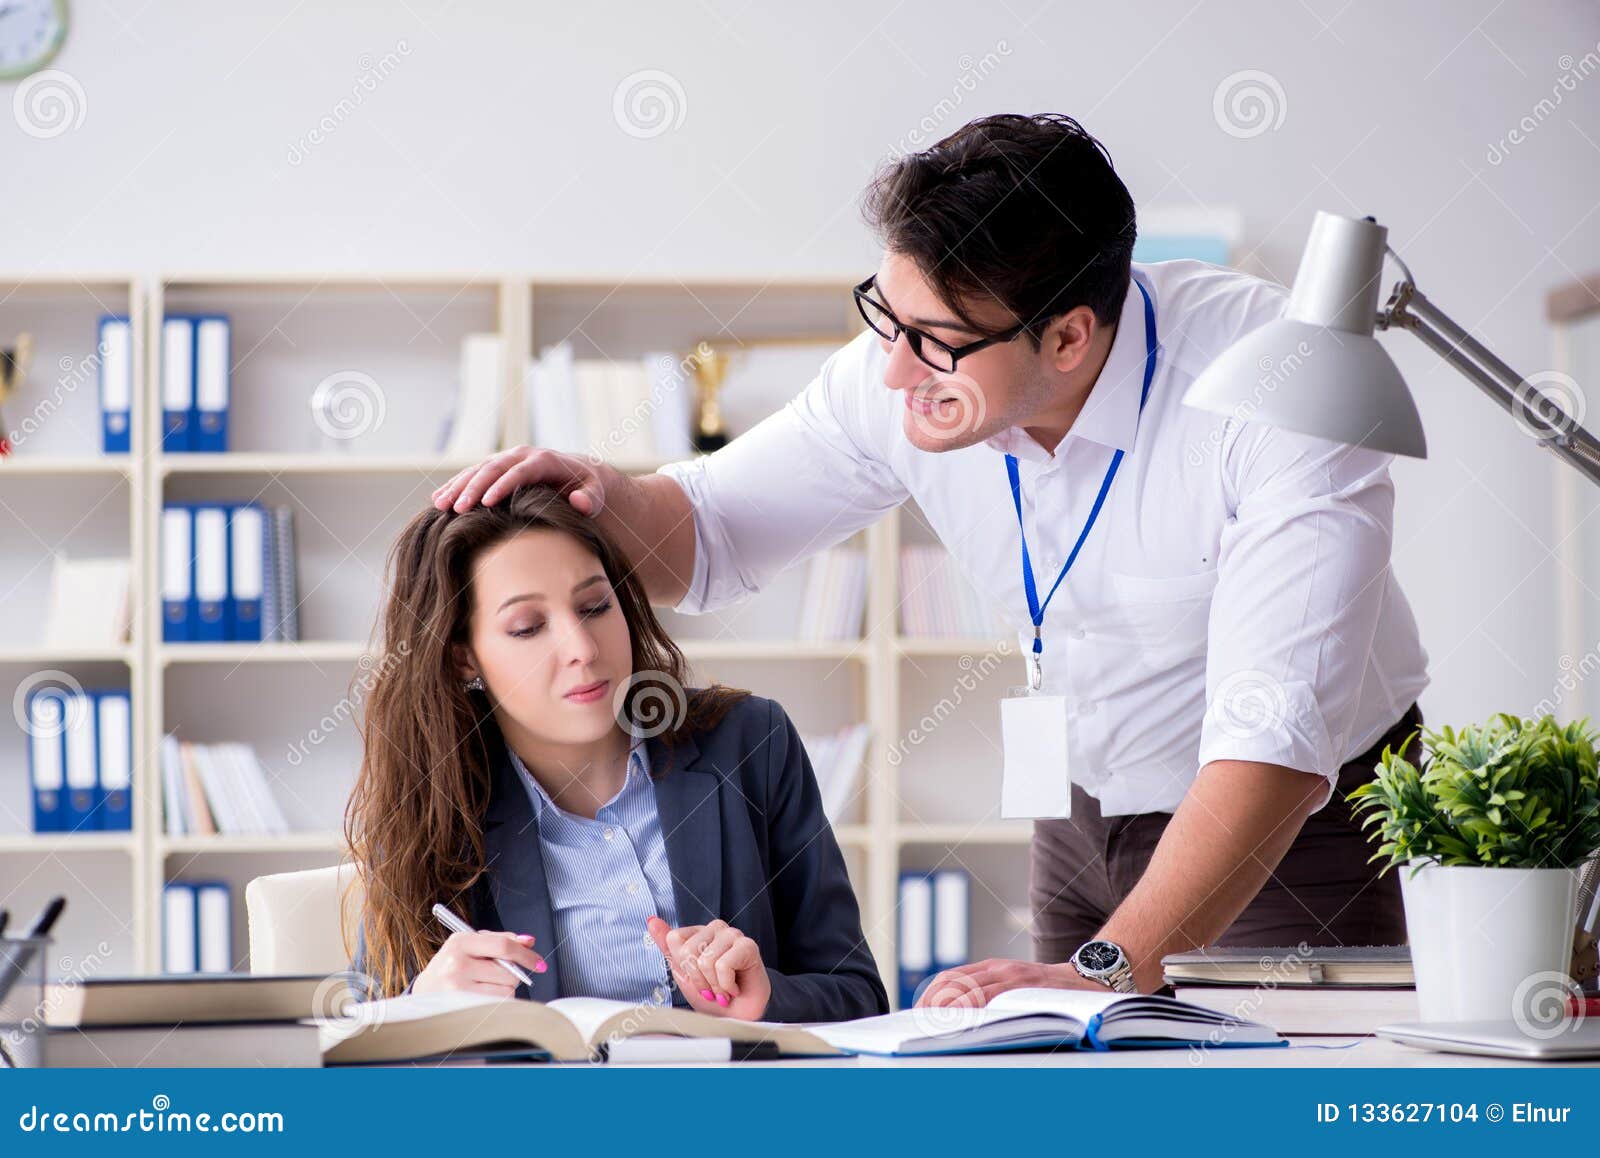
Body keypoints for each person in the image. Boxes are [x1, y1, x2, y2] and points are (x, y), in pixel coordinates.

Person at [431, 113, 1430, 1006]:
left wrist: (1108, 966)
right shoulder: (908, 366)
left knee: (1256, 1110)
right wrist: (603, 499)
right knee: (1068, 1099)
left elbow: (1274, 736)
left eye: (934, 341)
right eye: (887, 316)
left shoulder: (1279, 384)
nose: (895, 368)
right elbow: (714, 529)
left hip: (1289, 826)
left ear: (1071, 338)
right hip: (1079, 808)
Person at [345, 484, 887, 1022]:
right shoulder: (435, 798)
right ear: (463, 659)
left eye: (595, 606)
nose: (583, 649)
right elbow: (356, 1037)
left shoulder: (750, 743)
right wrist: (423, 1006)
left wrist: (765, 999)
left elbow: (859, 995)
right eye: (528, 627)